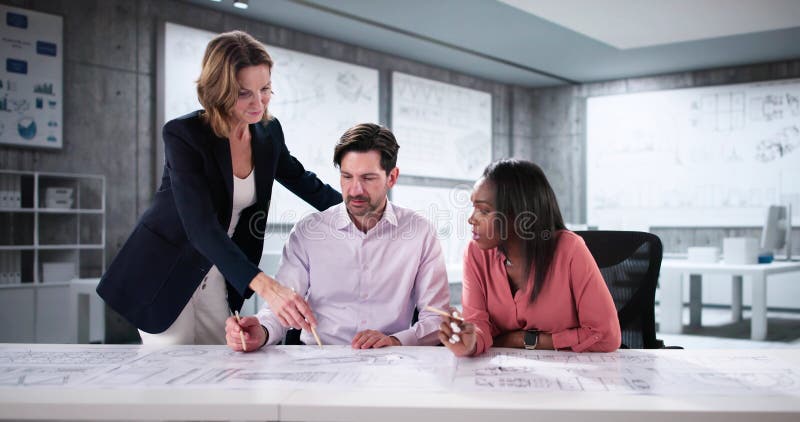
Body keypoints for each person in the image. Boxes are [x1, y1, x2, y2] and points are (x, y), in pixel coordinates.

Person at [97, 30, 342, 345]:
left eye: (265, 88)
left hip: (218, 270)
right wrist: (268, 288)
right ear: (219, 89)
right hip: (166, 269)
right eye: (244, 93)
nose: (258, 103)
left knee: (221, 366)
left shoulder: (267, 132)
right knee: (175, 372)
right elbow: (200, 227)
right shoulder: (184, 135)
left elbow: (303, 182)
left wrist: (361, 210)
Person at [225, 123, 450, 350]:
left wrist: (395, 341)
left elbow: (437, 318)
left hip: (388, 365)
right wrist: (261, 332)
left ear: (392, 177)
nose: (355, 190)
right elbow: (281, 308)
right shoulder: (308, 233)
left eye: (368, 178)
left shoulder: (420, 233)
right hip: (317, 365)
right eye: (347, 176)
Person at [438, 159, 621, 356]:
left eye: (484, 210)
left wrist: (519, 339)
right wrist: (470, 342)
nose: (471, 218)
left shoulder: (570, 249)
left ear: (519, 214)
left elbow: (606, 336)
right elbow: (478, 325)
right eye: (473, 207)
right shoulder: (475, 254)